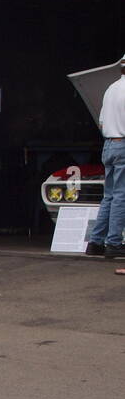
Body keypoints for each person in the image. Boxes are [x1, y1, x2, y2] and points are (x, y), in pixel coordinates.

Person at [85, 54, 125, 260]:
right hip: (123, 144)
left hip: (109, 145)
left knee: (109, 195)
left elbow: (101, 122)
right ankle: (114, 243)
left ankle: (95, 242)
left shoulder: (111, 89)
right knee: (121, 195)